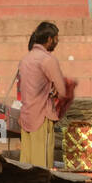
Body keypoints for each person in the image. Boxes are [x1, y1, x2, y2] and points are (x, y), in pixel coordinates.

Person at [17, 22, 69, 168]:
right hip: (41, 118)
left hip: (26, 117)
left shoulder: (25, 59)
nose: (57, 42)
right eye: (56, 39)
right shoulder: (48, 60)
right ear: (49, 39)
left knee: (26, 164)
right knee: (42, 166)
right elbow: (63, 91)